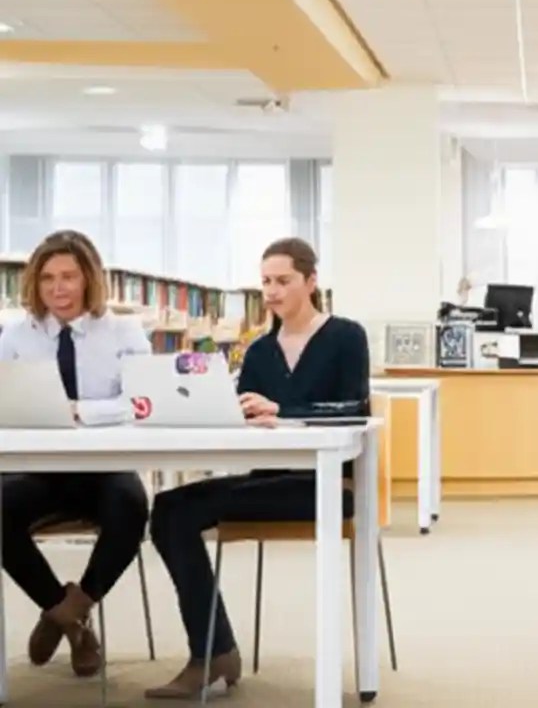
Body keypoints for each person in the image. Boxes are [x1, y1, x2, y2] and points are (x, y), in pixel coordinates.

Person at [145, 237, 370, 699]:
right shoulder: (259, 351)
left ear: (310, 281)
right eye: (265, 281)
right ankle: (215, 648)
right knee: (167, 510)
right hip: (266, 479)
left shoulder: (347, 335)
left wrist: (283, 411)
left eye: (282, 281)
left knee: (178, 512)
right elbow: (245, 417)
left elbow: (354, 407)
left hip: (325, 483)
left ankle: (211, 655)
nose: (271, 291)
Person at [0, 229, 151, 677]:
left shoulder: (123, 331)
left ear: (89, 278)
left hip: (103, 468)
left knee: (132, 507)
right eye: (47, 278)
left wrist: (81, 411)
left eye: (68, 276)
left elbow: (142, 402)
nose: (58, 288)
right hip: (37, 471)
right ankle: (65, 614)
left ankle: (74, 607)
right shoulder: (14, 337)